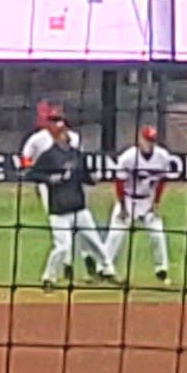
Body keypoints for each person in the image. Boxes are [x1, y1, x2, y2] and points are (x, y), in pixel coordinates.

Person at [25, 111, 115, 285]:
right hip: (59, 210)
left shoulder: (76, 154)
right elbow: (32, 173)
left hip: (78, 207)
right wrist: (50, 179)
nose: (66, 136)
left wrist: (92, 180)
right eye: (62, 133)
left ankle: (108, 270)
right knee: (63, 246)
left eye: (66, 132)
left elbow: (84, 175)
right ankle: (48, 277)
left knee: (95, 241)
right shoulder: (49, 156)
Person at [107, 122, 182, 281]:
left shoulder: (162, 156)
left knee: (157, 234)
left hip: (147, 200)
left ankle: (161, 269)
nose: (150, 143)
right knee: (115, 236)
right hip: (128, 198)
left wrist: (156, 204)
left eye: (152, 140)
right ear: (140, 139)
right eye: (147, 140)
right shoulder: (128, 157)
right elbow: (119, 182)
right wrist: (122, 206)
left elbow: (161, 181)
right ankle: (105, 268)